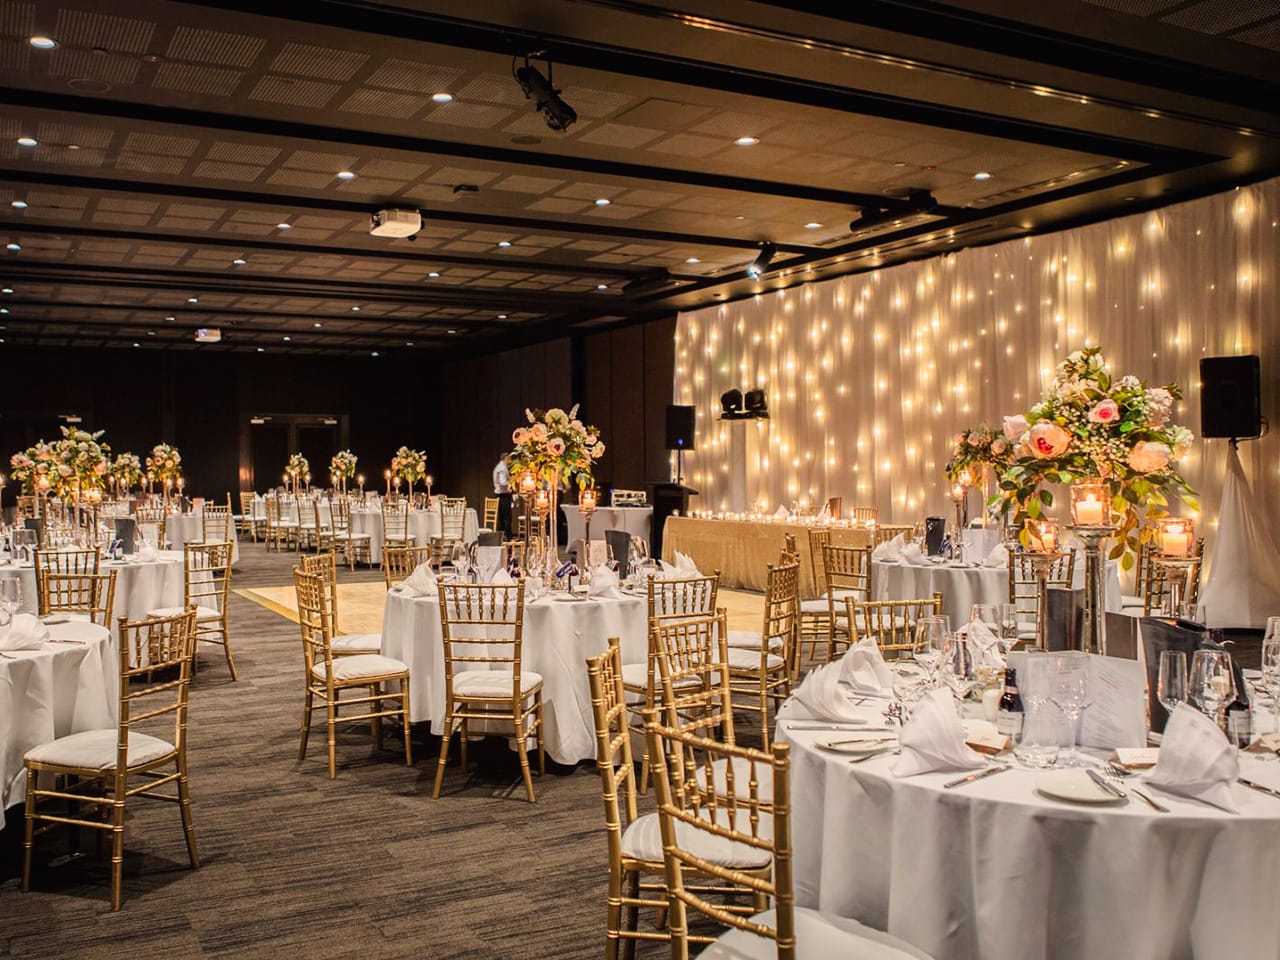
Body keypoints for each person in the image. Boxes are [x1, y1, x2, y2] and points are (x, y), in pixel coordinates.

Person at [493, 454, 512, 535]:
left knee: (502, 517)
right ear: (506, 458)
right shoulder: (502, 468)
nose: (510, 460)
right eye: (509, 458)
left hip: (501, 495)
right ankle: (507, 536)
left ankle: (502, 536)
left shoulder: (499, 466)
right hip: (503, 495)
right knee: (506, 517)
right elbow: (502, 482)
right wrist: (512, 483)